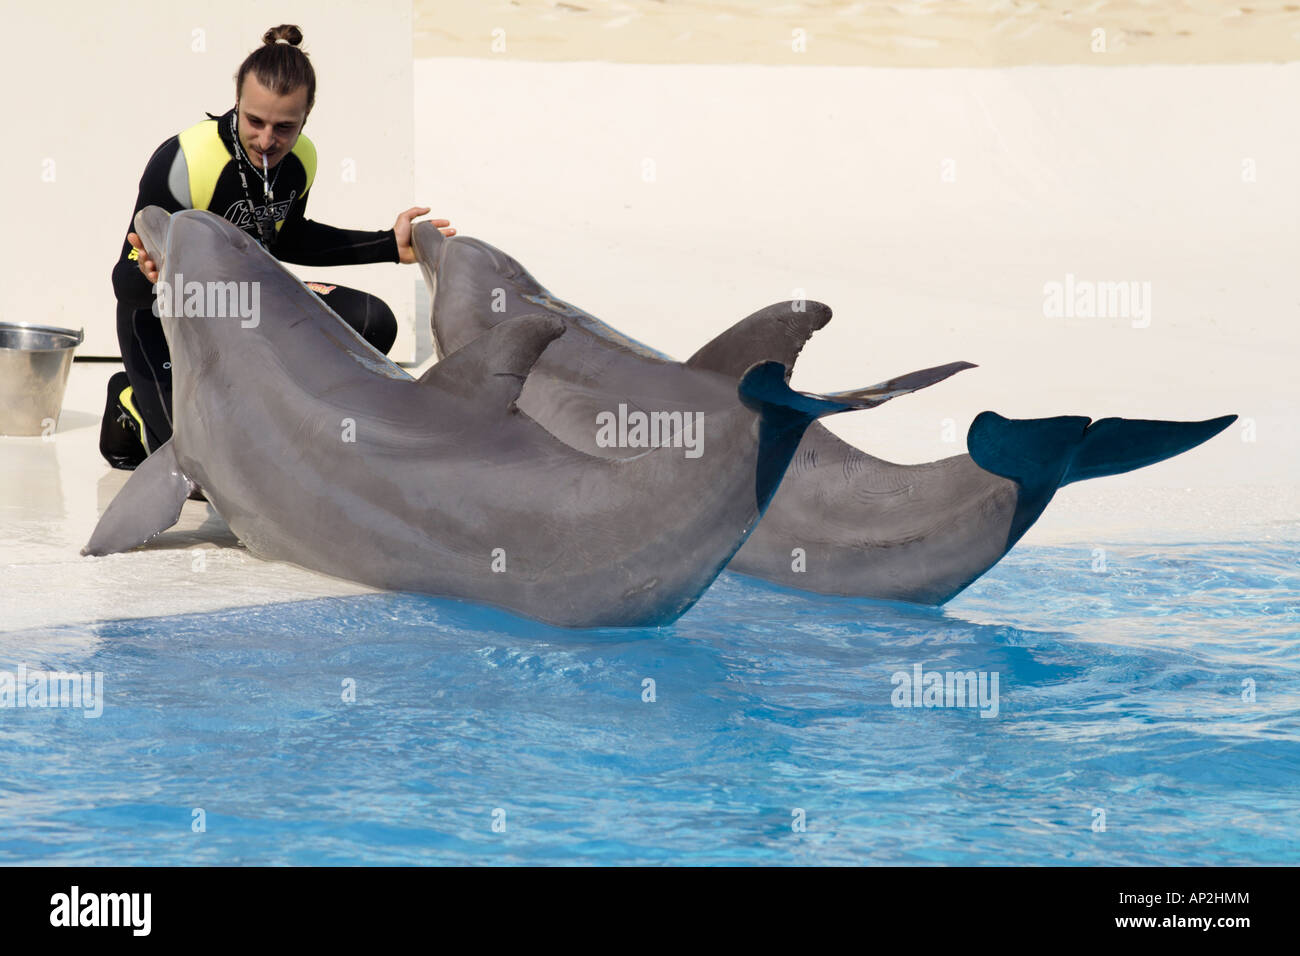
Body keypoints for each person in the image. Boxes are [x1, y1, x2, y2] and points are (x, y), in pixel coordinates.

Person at [101, 23, 454, 470]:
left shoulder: (301, 158)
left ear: (306, 117)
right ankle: (131, 400)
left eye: (284, 127)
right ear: (237, 102)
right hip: (164, 319)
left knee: (371, 323)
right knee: (205, 471)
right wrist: (149, 276)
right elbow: (123, 283)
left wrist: (387, 244)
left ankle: (274, 412)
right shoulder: (185, 162)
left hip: (242, 305)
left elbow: (287, 236)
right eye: (255, 121)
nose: (267, 141)